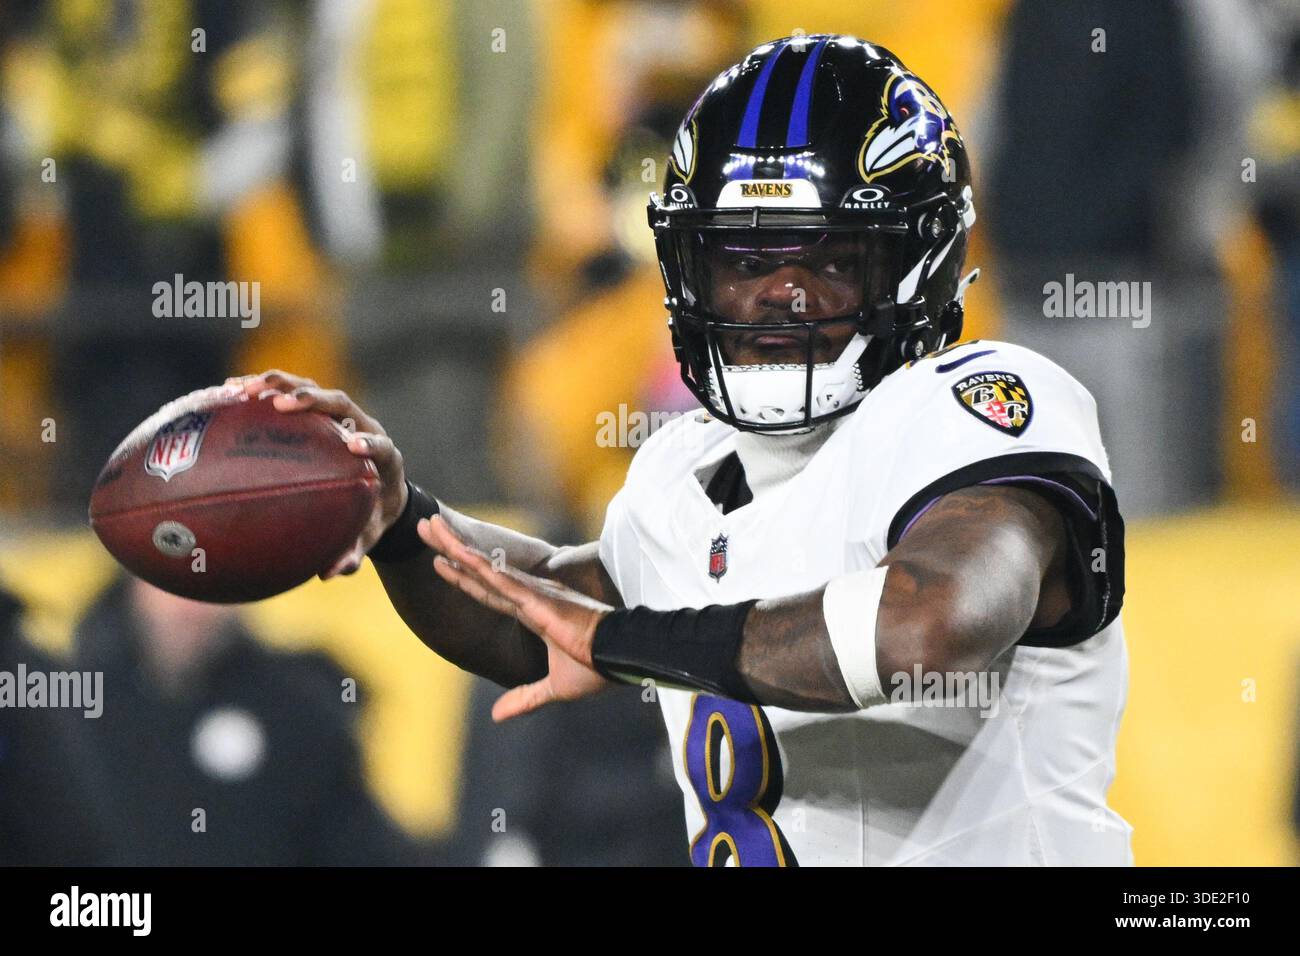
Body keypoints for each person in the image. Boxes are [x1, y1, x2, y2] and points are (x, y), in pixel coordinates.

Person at [234, 35, 1131, 866]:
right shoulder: (685, 467)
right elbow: (536, 618)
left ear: (916, 260)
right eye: (743, 257)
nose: (782, 292)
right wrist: (401, 519)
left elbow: (928, 628)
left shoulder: (980, 404)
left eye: (827, 257)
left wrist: (624, 639)